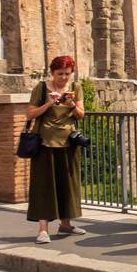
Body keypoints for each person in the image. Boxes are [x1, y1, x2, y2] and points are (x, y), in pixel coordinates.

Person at [25, 55, 87, 243]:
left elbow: (81, 115)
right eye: (60, 74)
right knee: (44, 186)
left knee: (67, 185)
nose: (63, 78)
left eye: (67, 74)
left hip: (68, 143)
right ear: (52, 73)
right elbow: (30, 113)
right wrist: (50, 103)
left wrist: (71, 105)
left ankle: (66, 224)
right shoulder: (42, 88)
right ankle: (43, 229)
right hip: (45, 143)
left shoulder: (76, 88)